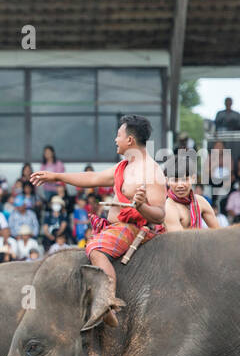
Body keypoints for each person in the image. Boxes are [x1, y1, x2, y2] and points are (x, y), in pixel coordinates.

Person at [31, 115, 166, 323]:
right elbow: (92, 179)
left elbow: (159, 214)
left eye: (118, 135)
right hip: (114, 227)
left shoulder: (152, 171)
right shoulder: (123, 167)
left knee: (95, 249)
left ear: (129, 140)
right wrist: (57, 177)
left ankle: (107, 301)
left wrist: (142, 206)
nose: (115, 139)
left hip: (131, 228)